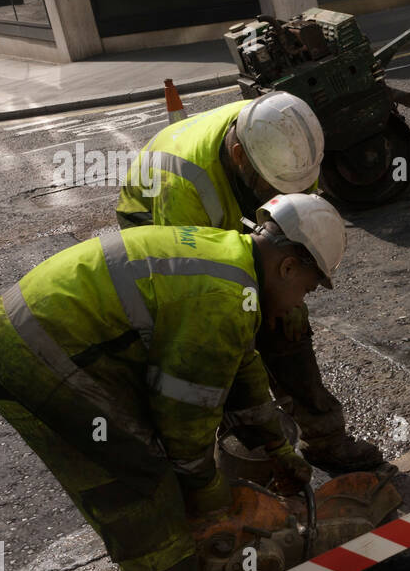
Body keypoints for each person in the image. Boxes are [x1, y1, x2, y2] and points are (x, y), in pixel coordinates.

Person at [0, 194, 345, 571]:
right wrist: (208, 497)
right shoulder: (222, 299)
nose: (301, 302)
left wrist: (277, 448)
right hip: (42, 361)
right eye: (307, 288)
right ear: (287, 264)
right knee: (152, 515)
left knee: (160, 489)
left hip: (42, 340)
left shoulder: (232, 262)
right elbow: (185, 432)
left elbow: (240, 369)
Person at [117, 91, 384, 475]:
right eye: (272, 187)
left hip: (229, 208)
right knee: (216, 335)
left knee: (286, 319)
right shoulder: (181, 185)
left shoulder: (284, 145)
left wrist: (281, 303)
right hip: (160, 225)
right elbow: (198, 296)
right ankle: (230, 453)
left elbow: (289, 262)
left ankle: (324, 439)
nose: (282, 197)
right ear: (240, 155)